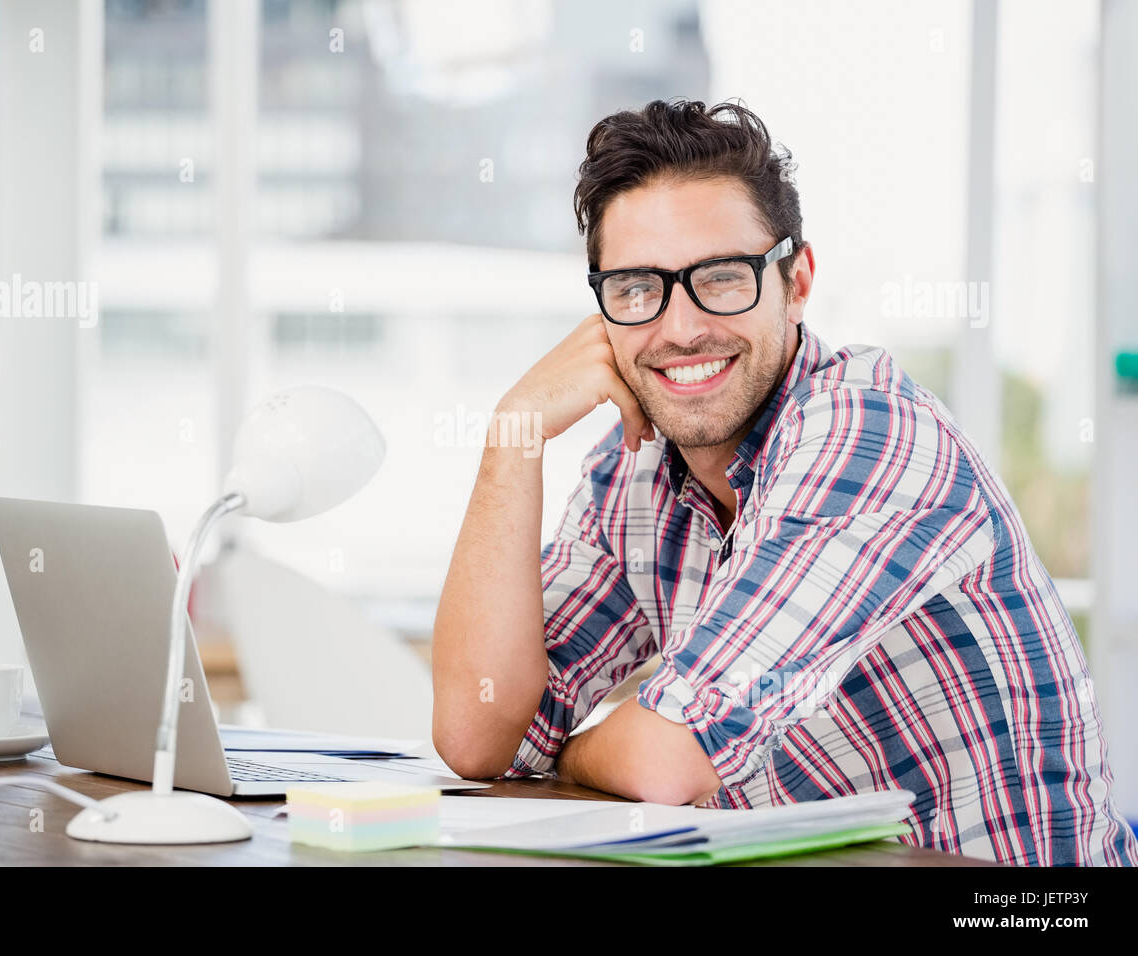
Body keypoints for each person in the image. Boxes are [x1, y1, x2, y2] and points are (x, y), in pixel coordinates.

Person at [430, 97, 1137, 866]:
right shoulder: (634, 468)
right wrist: (513, 434)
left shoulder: (867, 433)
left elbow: (669, 759)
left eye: (722, 278)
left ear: (796, 282)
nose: (680, 327)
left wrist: (574, 752)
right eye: (638, 288)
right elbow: (479, 734)